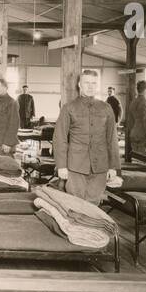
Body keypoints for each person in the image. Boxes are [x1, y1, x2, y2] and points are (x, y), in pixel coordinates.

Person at [53, 68, 121, 204]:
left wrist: (113, 167)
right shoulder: (69, 108)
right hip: (76, 166)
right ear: (79, 84)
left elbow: (112, 139)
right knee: (75, 204)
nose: (90, 86)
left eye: (94, 83)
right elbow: (59, 138)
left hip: (100, 167)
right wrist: (61, 166)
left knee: (94, 204)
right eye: (87, 83)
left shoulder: (106, 108)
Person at [0, 77, 20, 155]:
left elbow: (14, 124)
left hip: (4, 144)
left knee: (6, 166)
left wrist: (8, 143)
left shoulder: (12, 103)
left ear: (5, 88)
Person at [123, 79, 146, 160]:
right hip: (143, 136)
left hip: (133, 133)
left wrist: (132, 131)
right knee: (145, 161)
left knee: (136, 158)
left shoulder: (133, 102)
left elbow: (129, 121)